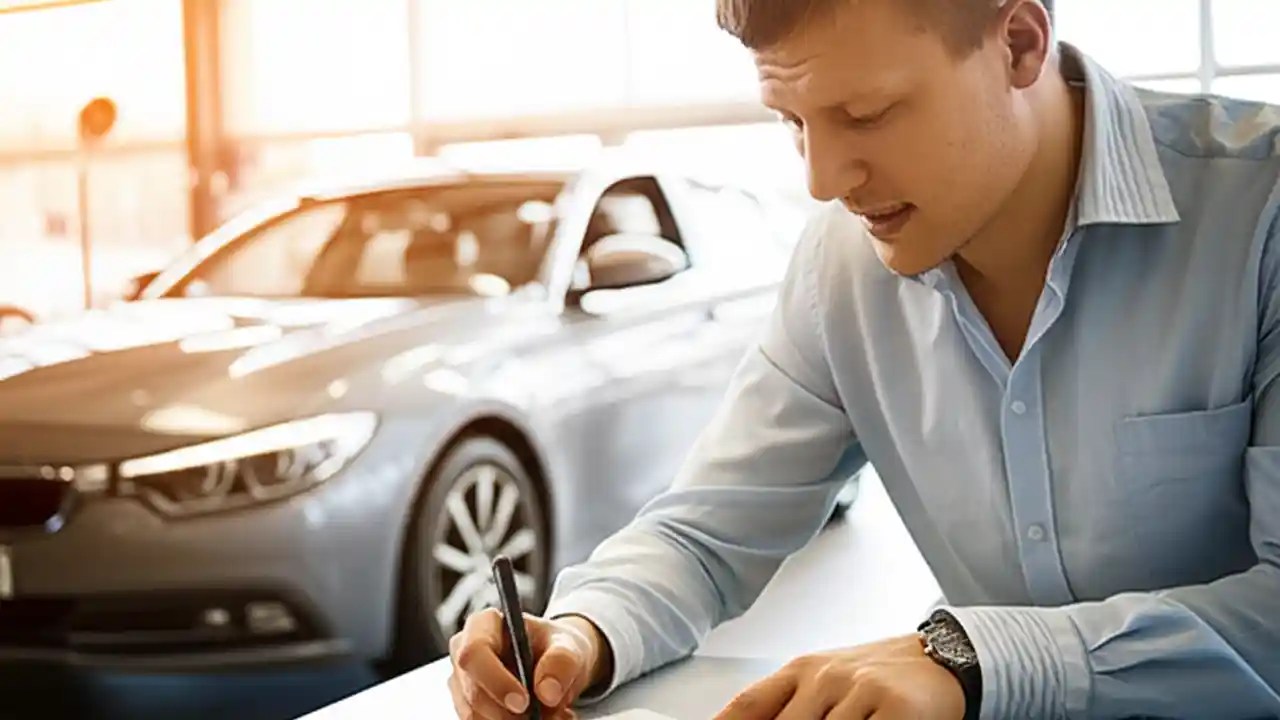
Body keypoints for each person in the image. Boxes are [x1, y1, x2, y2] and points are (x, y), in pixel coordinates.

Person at [448, 0, 1280, 717]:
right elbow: (708, 532)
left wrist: (977, 659)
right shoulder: (837, 269)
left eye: (869, 114)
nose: (821, 179)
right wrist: (585, 631)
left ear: (1020, 43)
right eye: (794, 122)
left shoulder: (1260, 216)